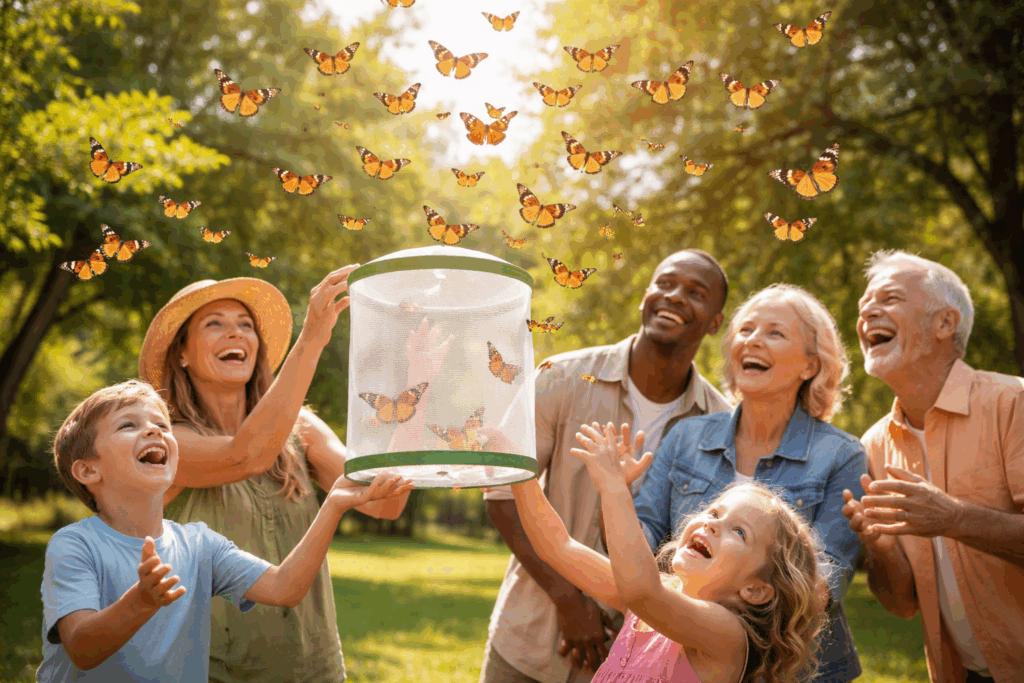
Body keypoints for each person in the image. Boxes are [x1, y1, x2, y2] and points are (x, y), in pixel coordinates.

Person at [137, 267, 451, 682]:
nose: (236, 334)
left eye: (246, 326)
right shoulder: (168, 441)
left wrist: (420, 381)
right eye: (215, 324)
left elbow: (387, 501)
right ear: (181, 354)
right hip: (211, 671)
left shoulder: (301, 428)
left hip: (313, 667)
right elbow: (243, 456)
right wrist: (313, 338)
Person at [37, 380, 412, 681]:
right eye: (128, 425)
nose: (153, 429)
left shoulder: (200, 543)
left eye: (161, 425)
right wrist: (142, 601)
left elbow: (285, 588)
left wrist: (333, 506)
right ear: (88, 471)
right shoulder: (75, 545)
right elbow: (83, 649)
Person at [478, 250, 733, 683]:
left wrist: (631, 615)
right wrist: (569, 602)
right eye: (665, 284)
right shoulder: (564, 376)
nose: (674, 297)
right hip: (528, 642)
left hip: (637, 659)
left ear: (714, 322)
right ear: (645, 297)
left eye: (695, 293)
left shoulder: (719, 425)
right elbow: (502, 495)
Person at [633, 284, 866, 682]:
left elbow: (822, 585)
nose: (753, 341)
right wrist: (615, 499)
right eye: (745, 330)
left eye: (775, 333)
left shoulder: (843, 456)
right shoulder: (685, 437)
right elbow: (643, 534)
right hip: (684, 662)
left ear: (811, 365)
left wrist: (715, 629)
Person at [511, 421, 828, 683]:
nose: (713, 525)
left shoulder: (727, 634)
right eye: (715, 513)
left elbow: (641, 591)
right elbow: (558, 547)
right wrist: (518, 467)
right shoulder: (652, 598)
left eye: (739, 532)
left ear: (756, 590)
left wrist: (614, 489)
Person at [842, 250, 1024, 683]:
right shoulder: (874, 444)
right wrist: (882, 549)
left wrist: (954, 518)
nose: (867, 310)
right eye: (865, 303)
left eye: (889, 298)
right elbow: (902, 604)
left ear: (945, 324)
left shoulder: (1013, 403)